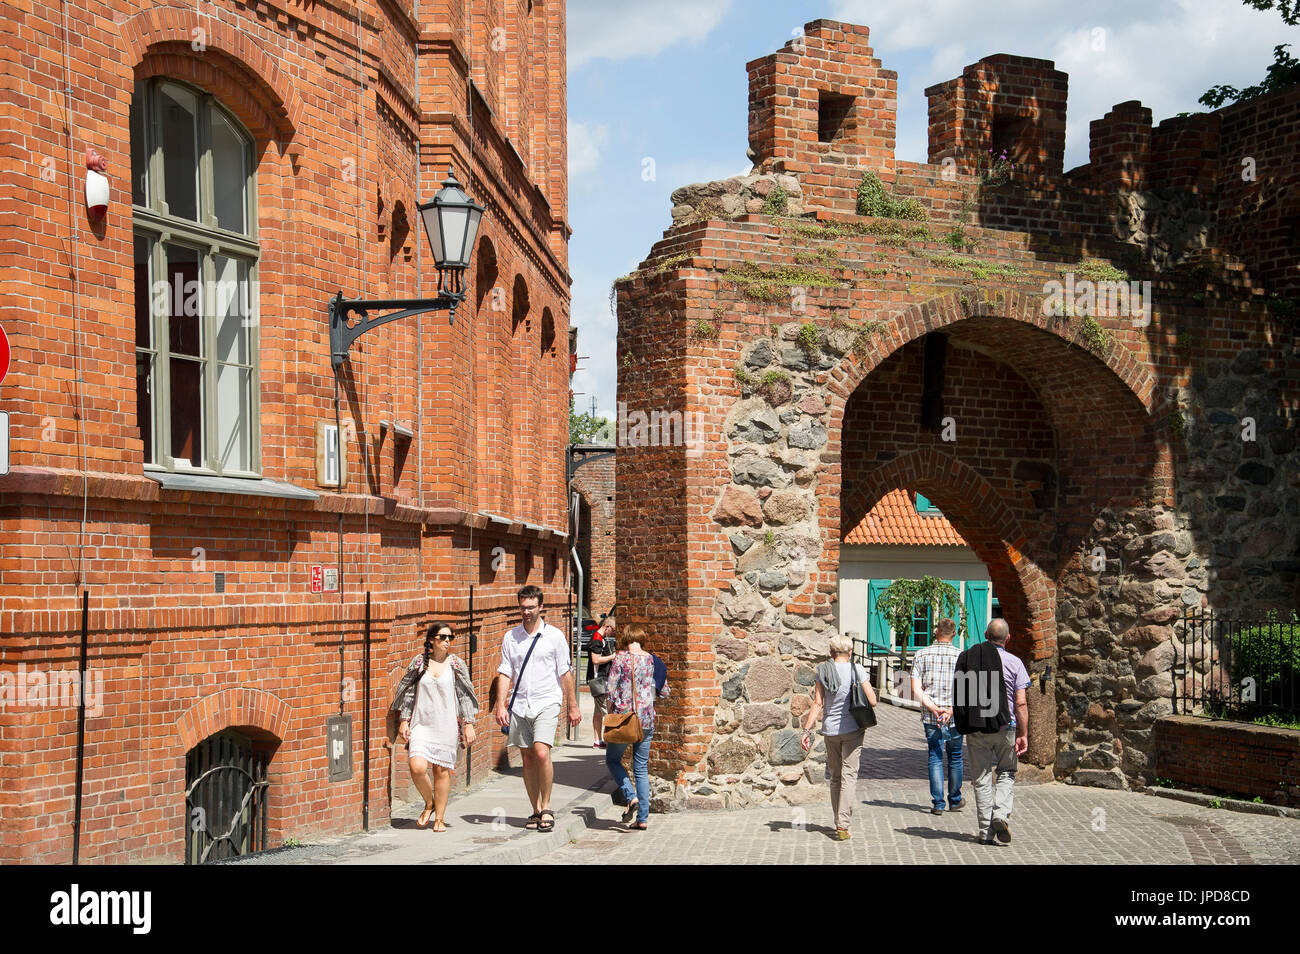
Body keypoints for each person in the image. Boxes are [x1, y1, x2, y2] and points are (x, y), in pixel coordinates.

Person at [493, 584, 582, 832]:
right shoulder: (511, 637)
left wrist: (572, 706)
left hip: (547, 700)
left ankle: (547, 806)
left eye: (531, 607)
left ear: (541, 607)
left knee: (542, 752)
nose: (527, 612)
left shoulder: (554, 636)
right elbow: (504, 672)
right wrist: (501, 705)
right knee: (527, 758)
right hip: (520, 703)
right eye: (523, 607)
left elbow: (565, 672)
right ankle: (534, 809)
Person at [389, 621, 479, 831]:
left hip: (446, 724)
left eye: (450, 638)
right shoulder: (419, 662)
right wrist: (404, 719)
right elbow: (409, 691)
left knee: (441, 771)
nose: (447, 641)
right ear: (431, 639)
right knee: (417, 767)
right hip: (422, 724)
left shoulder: (456, 664)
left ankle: (439, 817)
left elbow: (464, 695)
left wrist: (468, 724)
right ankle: (429, 802)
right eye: (442, 637)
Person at [953, 618, 1030, 845]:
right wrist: (1023, 733)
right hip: (1006, 727)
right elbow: (1021, 703)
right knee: (1006, 772)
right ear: (1008, 638)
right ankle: (1000, 814)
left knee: (981, 778)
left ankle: (985, 830)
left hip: (977, 727)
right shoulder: (1015, 663)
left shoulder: (969, 658)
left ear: (986, 635)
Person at [800, 634, 879, 841]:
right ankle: (843, 825)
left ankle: (838, 821)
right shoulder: (857, 669)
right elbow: (872, 701)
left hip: (830, 731)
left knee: (835, 777)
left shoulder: (823, 671)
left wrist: (806, 730)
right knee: (849, 776)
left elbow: (818, 703)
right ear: (850, 652)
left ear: (831, 652)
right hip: (853, 729)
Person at [604, 624, 669, 830]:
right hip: (647, 720)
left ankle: (631, 797)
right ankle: (642, 819)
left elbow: (610, 691)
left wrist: (610, 713)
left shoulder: (621, 659)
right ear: (642, 639)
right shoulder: (653, 661)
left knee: (612, 760)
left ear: (625, 639)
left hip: (625, 719)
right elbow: (665, 692)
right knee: (641, 767)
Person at [910, 617, 965, 815]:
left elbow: (915, 688)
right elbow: (965, 689)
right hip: (954, 716)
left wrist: (933, 708)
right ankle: (955, 799)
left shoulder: (921, 654)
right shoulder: (961, 656)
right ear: (955, 634)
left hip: (931, 716)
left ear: (936, 632)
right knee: (956, 756)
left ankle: (938, 803)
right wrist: (950, 708)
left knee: (935, 756)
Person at [587, 615, 617, 748]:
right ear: (607, 627)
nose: (613, 633)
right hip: (599, 679)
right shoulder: (597, 640)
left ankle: (598, 740)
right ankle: (606, 739)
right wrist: (612, 657)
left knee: (598, 711)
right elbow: (596, 660)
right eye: (613, 630)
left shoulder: (601, 639)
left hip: (600, 679)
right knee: (606, 710)